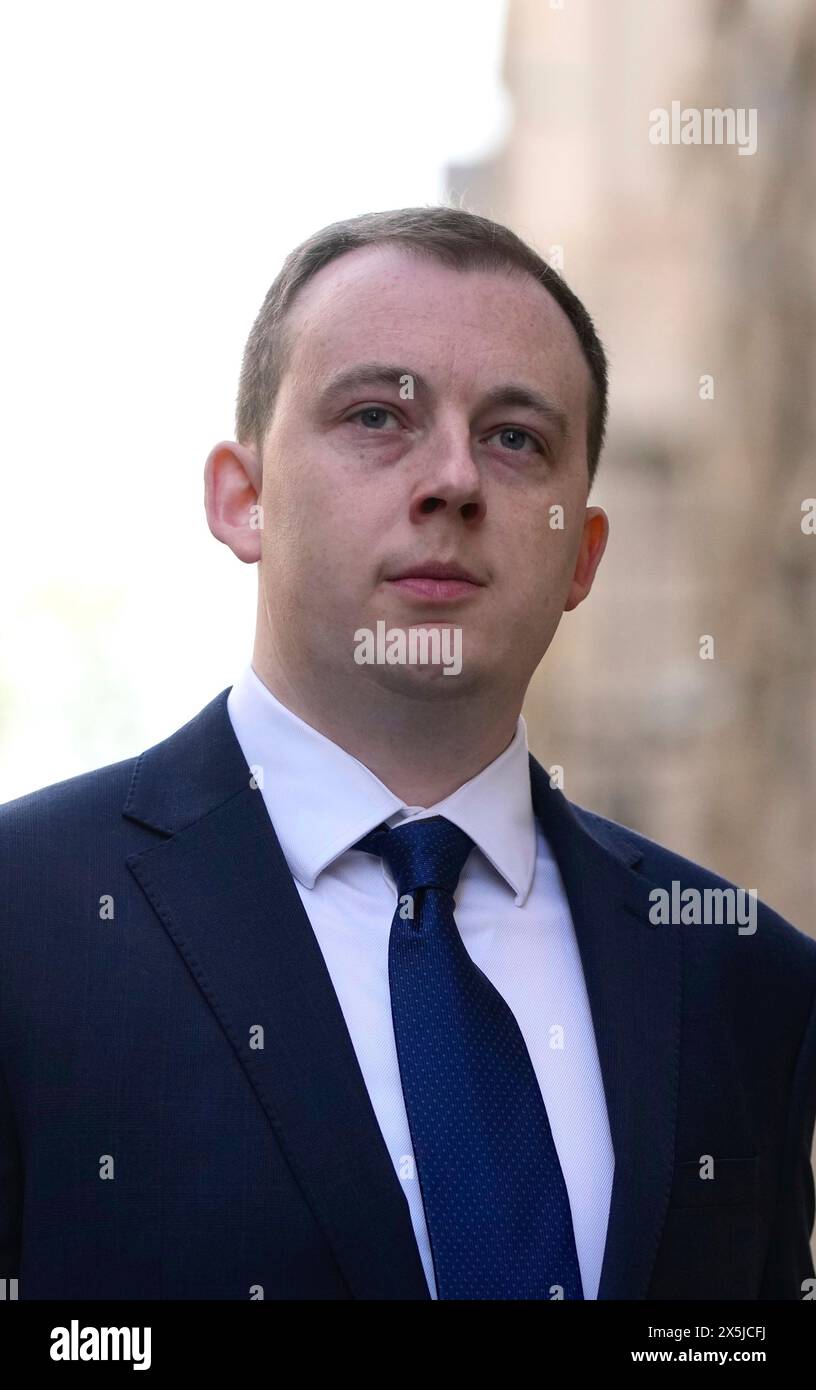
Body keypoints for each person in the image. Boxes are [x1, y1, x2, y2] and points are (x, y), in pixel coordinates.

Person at [1, 206, 814, 1301]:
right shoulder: (30, 917)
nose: (454, 481)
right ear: (243, 500)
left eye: (516, 437)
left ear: (582, 553)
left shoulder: (745, 977)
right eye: (379, 415)